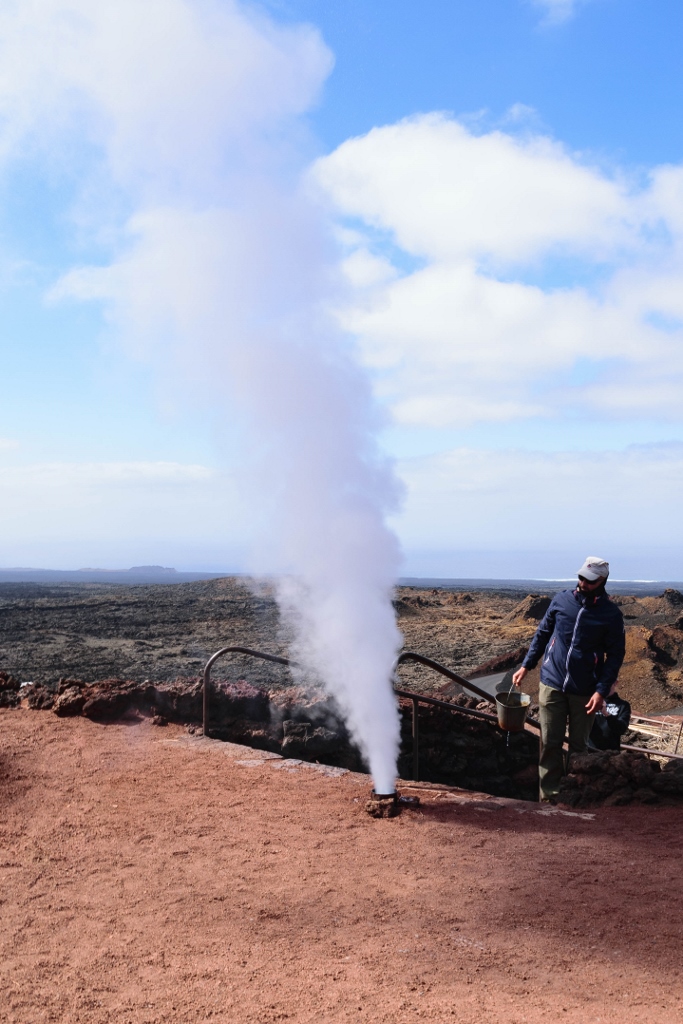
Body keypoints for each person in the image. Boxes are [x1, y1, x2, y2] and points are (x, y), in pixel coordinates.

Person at [512, 557, 625, 803]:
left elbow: (615, 656)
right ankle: (549, 799)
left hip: (585, 691)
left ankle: (573, 798)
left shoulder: (610, 614)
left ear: (602, 581)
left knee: (578, 747)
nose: (583, 582)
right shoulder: (562, 600)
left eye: (590, 580)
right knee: (550, 743)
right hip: (552, 682)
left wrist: (601, 691)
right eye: (581, 577)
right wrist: (526, 666)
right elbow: (542, 633)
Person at [588, 681, 631, 751]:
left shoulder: (623, 705)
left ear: (615, 683)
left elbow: (621, 729)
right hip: (590, 751)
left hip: (611, 753)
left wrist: (607, 714)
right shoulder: (590, 702)